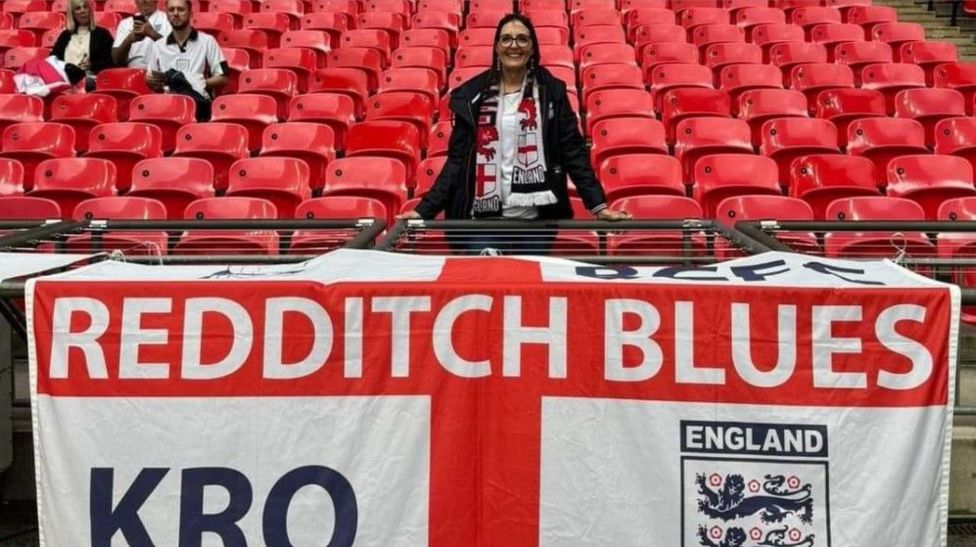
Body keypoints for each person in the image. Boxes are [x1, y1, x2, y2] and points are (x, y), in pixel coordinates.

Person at [400, 13, 629, 255]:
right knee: (485, 287)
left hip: (534, 222)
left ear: (532, 48)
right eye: (507, 39)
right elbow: (457, 163)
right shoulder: (473, 96)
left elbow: (573, 152)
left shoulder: (551, 92)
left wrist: (599, 206)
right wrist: (423, 211)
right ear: (497, 47)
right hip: (483, 221)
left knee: (530, 289)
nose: (514, 46)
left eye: (522, 39)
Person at [144, 0, 227, 121]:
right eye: (171, 10)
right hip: (168, 105)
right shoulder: (158, 45)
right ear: (167, 15)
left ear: (191, 14)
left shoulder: (207, 41)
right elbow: (155, 83)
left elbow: (223, 77)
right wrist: (150, 81)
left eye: (181, 9)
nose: (176, 13)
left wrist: (198, 83)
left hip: (198, 105)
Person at [50, 0, 114, 91]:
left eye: (85, 7)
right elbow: (53, 58)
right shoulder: (65, 35)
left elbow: (112, 60)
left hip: (91, 79)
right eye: (78, 8)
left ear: (90, 10)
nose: (83, 11)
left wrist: (92, 65)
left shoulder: (102, 34)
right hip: (67, 78)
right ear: (72, 14)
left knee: (86, 83)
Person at [112, 0, 172, 68]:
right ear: (136, 1)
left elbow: (175, 52)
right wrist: (128, 40)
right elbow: (116, 60)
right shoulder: (125, 23)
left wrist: (153, 34)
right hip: (131, 72)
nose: (144, 1)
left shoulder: (169, 20)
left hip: (161, 71)